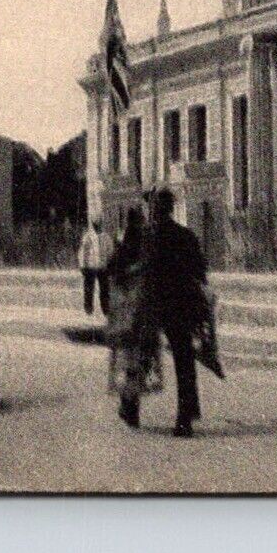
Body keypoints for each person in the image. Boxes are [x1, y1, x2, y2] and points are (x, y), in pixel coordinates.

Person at [140, 188, 210, 438]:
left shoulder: (146, 236)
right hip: (181, 305)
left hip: (152, 305)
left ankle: (130, 407)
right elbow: (200, 271)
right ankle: (185, 417)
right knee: (184, 359)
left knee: (139, 353)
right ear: (171, 209)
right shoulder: (186, 235)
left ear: (154, 209)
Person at [105, 206, 161, 428]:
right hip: (142, 316)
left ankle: (129, 405)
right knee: (139, 362)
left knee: (128, 363)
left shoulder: (123, 248)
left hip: (126, 317)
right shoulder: (146, 248)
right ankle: (132, 407)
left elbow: (111, 270)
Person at [76, 218, 112, 315]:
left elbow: (110, 252)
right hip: (90, 266)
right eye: (95, 224)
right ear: (92, 225)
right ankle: (88, 308)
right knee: (89, 289)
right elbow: (83, 252)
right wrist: (82, 265)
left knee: (104, 289)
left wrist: (109, 264)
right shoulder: (88, 237)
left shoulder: (106, 237)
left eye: (99, 224)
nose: (97, 226)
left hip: (102, 266)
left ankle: (106, 308)